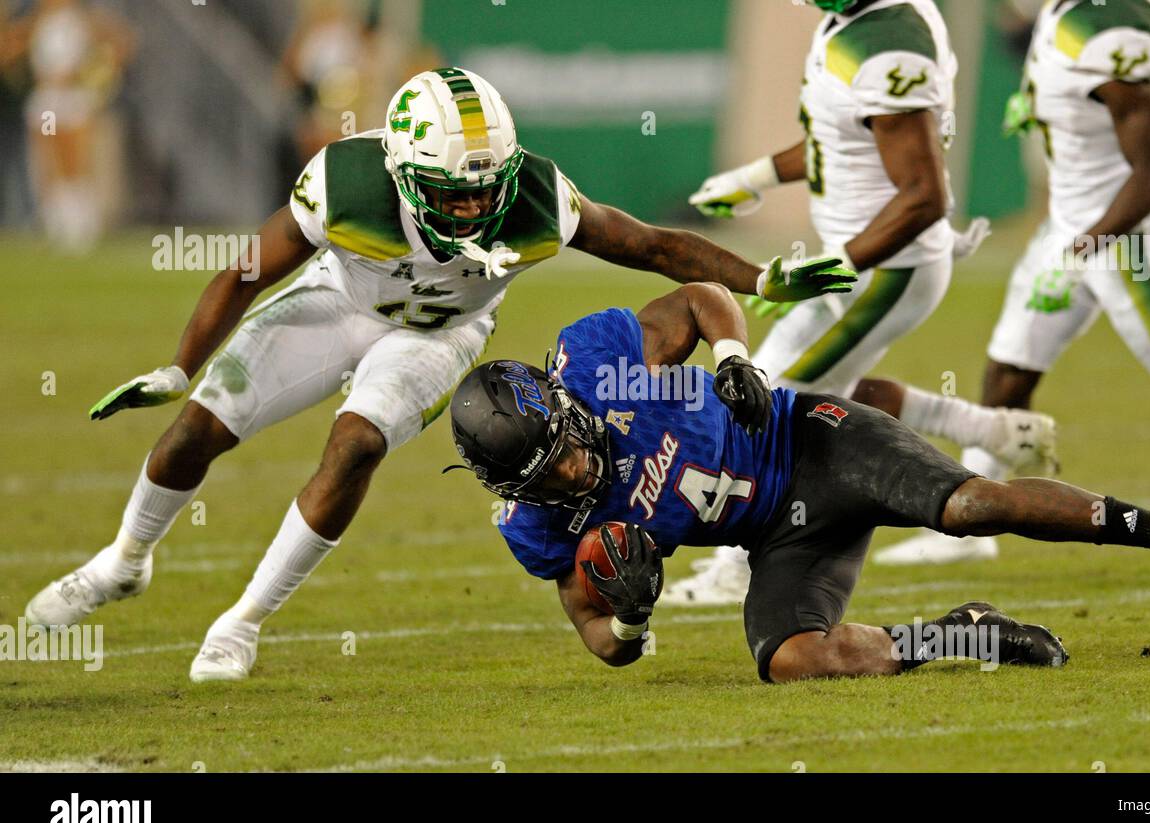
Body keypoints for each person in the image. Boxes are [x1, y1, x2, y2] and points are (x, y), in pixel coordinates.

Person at [23, 67, 855, 682]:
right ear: (400, 173)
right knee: (192, 433)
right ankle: (124, 560)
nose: (467, 209)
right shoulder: (347, 185)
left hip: (443, 333)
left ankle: (241, 622)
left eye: (480, 191)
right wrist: (180, 364)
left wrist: (762, 278)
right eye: (447, 194)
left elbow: (652, 246)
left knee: (354, 445)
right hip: (336, 303)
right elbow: (247, 269)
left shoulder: (535, 198)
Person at [448, 282, 1150, 682]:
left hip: (813, 441)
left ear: (563, 402)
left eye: (564, 443)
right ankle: (968, 632)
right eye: (548, 473)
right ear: (511, 486)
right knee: (789, 659)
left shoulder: (599, 365)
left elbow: (699, 301)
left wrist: (735, 357)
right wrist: (629, 617)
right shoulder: (537, 526)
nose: (573, 467)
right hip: (777, 536)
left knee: (968, 504)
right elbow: (597, 636)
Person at [878, 0, 1150, 565]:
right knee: (1008, 373)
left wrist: (1081, 249)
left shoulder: (1116, 34)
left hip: (1121, 244)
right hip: (1073, 229)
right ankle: (973, 526)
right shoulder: (1073, 12)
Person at [676, 0, 1057, 603]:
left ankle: (741, 563)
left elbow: (924, 194)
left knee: (771, 403)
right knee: (796, 388)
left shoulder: (891, 41)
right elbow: (840, 137)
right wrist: (757, 176)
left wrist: (839, 264)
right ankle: (993, 430)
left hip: (887, 269)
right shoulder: (860, 22)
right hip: (860, 261)